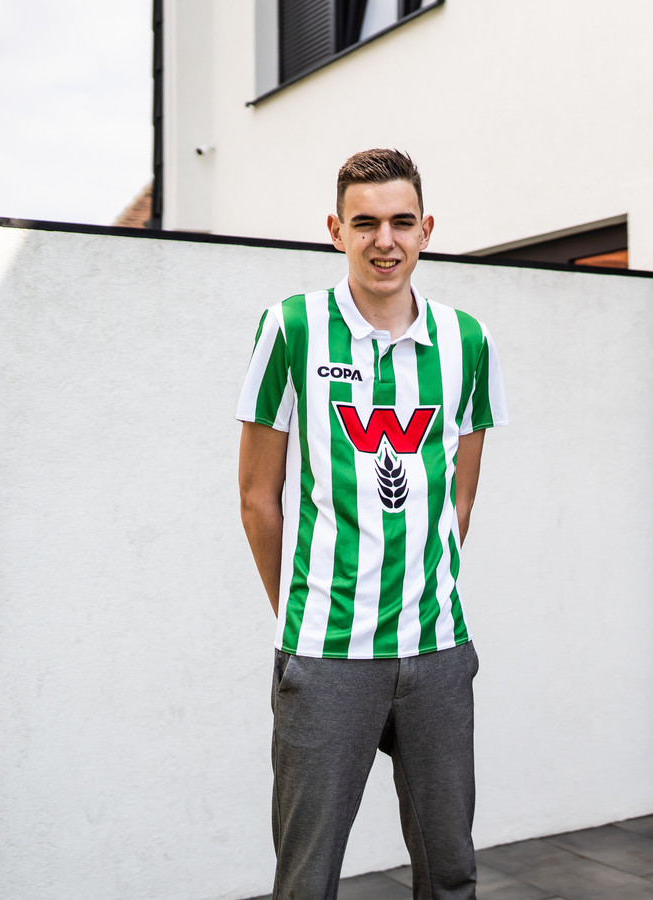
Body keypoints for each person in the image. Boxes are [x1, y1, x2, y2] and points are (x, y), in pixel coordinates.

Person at [236, 148, 507, 900]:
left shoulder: (468, 341)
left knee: (451, 873)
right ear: (336, 230)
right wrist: (300, 613)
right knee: (306, 879)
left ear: (426, 229)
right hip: (326, 654)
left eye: (399, 222)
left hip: (440, 650)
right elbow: (259, 496)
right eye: (365, 223)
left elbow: (461, 489)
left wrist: (425, 581)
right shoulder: (290, 329)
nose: (383, 240)